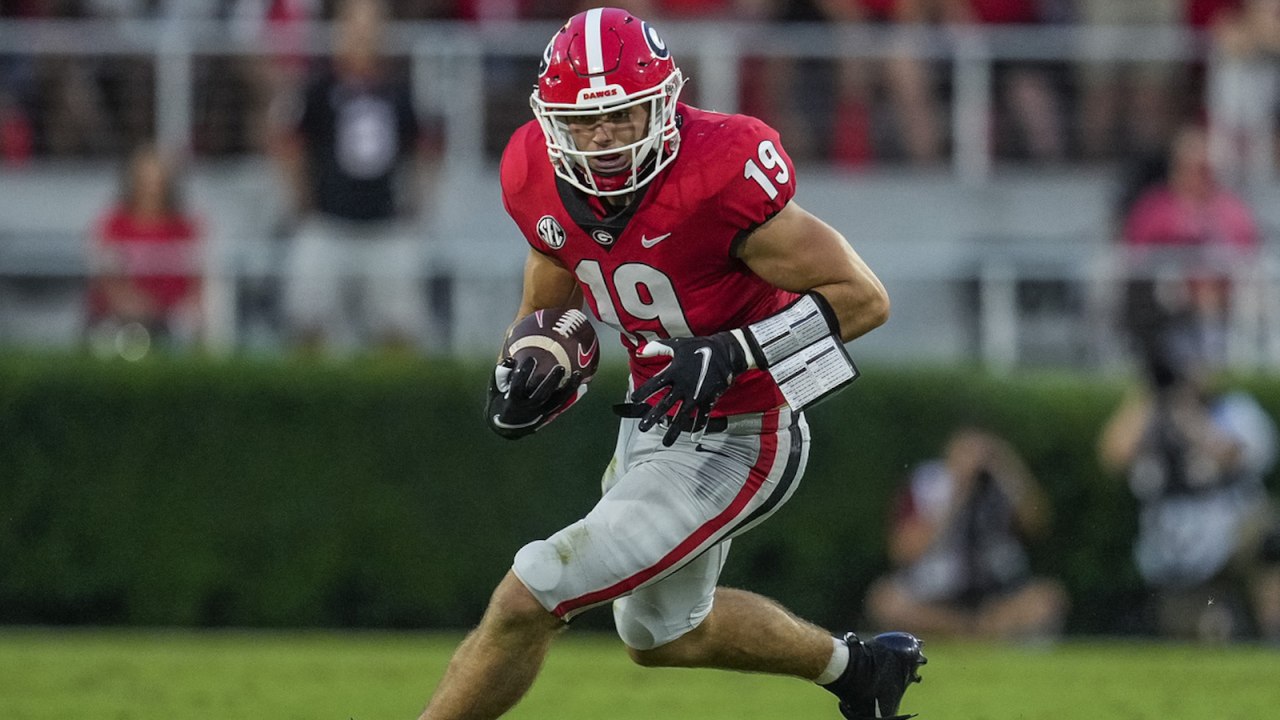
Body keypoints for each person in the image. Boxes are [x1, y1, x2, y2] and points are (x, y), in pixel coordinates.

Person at [418, 8, 926, 720]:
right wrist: (529, 356)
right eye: (582, 122)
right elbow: (554, 269)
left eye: (623, 117)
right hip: (656, 418)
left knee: (531, 589)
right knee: (659, 635)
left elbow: (864, 299)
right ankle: (862, 672)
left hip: (748, 429)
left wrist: (735, 351)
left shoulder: (718, 174)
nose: (601, 140)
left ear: (662, 105)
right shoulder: (533, 170)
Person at [1098, 319, 1280, 642]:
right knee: (1203, 634)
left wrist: (1188, 416)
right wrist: (1151, 392)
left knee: (1268, 537)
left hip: (1230, 537)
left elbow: (1233, 454)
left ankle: (1274, 628)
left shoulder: (1234, 410)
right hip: (1175, 555)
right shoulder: (1148, 416)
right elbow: (1112, 456)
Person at [274, 0, 433, 354]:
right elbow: (290, 143)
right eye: (356, 24)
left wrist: (420, 199)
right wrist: (300, 200)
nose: (364, 34)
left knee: (400, 326)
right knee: (307, 320)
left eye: (372, 25)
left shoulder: (399, 89)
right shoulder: (318, 86)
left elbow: (425, 146)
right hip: (328, 220)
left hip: (385, 222)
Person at [864, 427, 1068, 641]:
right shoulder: (927, 484)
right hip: (937, 594)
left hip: (996, 595)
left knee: (1048, 599)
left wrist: (1009, 467)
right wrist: (957, 493)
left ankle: (974, 632)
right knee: (885, 601)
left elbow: (1038, 525)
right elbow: (904, 551)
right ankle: (972, 632)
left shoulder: (1005, 483)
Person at [1119, 124, 1261, 369]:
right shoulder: (1154, 209)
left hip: (1226, 304)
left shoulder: (1231, 210)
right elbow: (1135, 263)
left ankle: (1220, 359)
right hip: (1168, 306)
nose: (1200, 176)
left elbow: (1248, 257)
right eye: (1192, 168)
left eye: (1205, 169)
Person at [87, 142, 203, 357]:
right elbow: (106, 277)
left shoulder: (184, 227)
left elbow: (198, 278)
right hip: (125, 318)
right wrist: (133, 304)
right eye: (146, 179)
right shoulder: (115, 225)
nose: (152, 187)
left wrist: (184, 310)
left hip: (174, 319)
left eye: (158, 179)